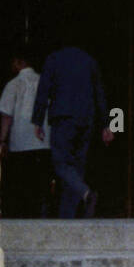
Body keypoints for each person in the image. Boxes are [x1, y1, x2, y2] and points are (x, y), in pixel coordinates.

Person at [32, 38, 114, 218]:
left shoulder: (53, 59)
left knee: (60, 163)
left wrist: (38, 120)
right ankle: (67, 215)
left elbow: (43, 90)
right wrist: (107, 124)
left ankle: (86, 194)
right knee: (77, 167)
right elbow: (100, 93)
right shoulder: (89, 60)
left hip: (63, 118)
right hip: (86, 119)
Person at [0, 42, 51, 217]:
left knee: (22, 183)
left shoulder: (14, 84)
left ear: (19, 63)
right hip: (43, 141)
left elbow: (6, 115)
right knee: (41, 182)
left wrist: (2, 140)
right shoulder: (45, 82)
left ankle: (24, 214)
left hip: (20, 142)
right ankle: (40, 213)